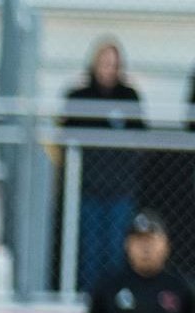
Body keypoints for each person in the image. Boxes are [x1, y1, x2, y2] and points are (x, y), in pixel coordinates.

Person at [60, 38, 149, 294]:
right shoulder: (79, 96)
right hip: (88, 185)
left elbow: (139, 136)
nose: (108, 69)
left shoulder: (128, 96)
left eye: (113, 63)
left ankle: (116, 297)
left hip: (120, 187)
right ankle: (89, 297)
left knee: (115, 247)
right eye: (103, 62)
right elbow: (66, 135)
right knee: (90, 248)